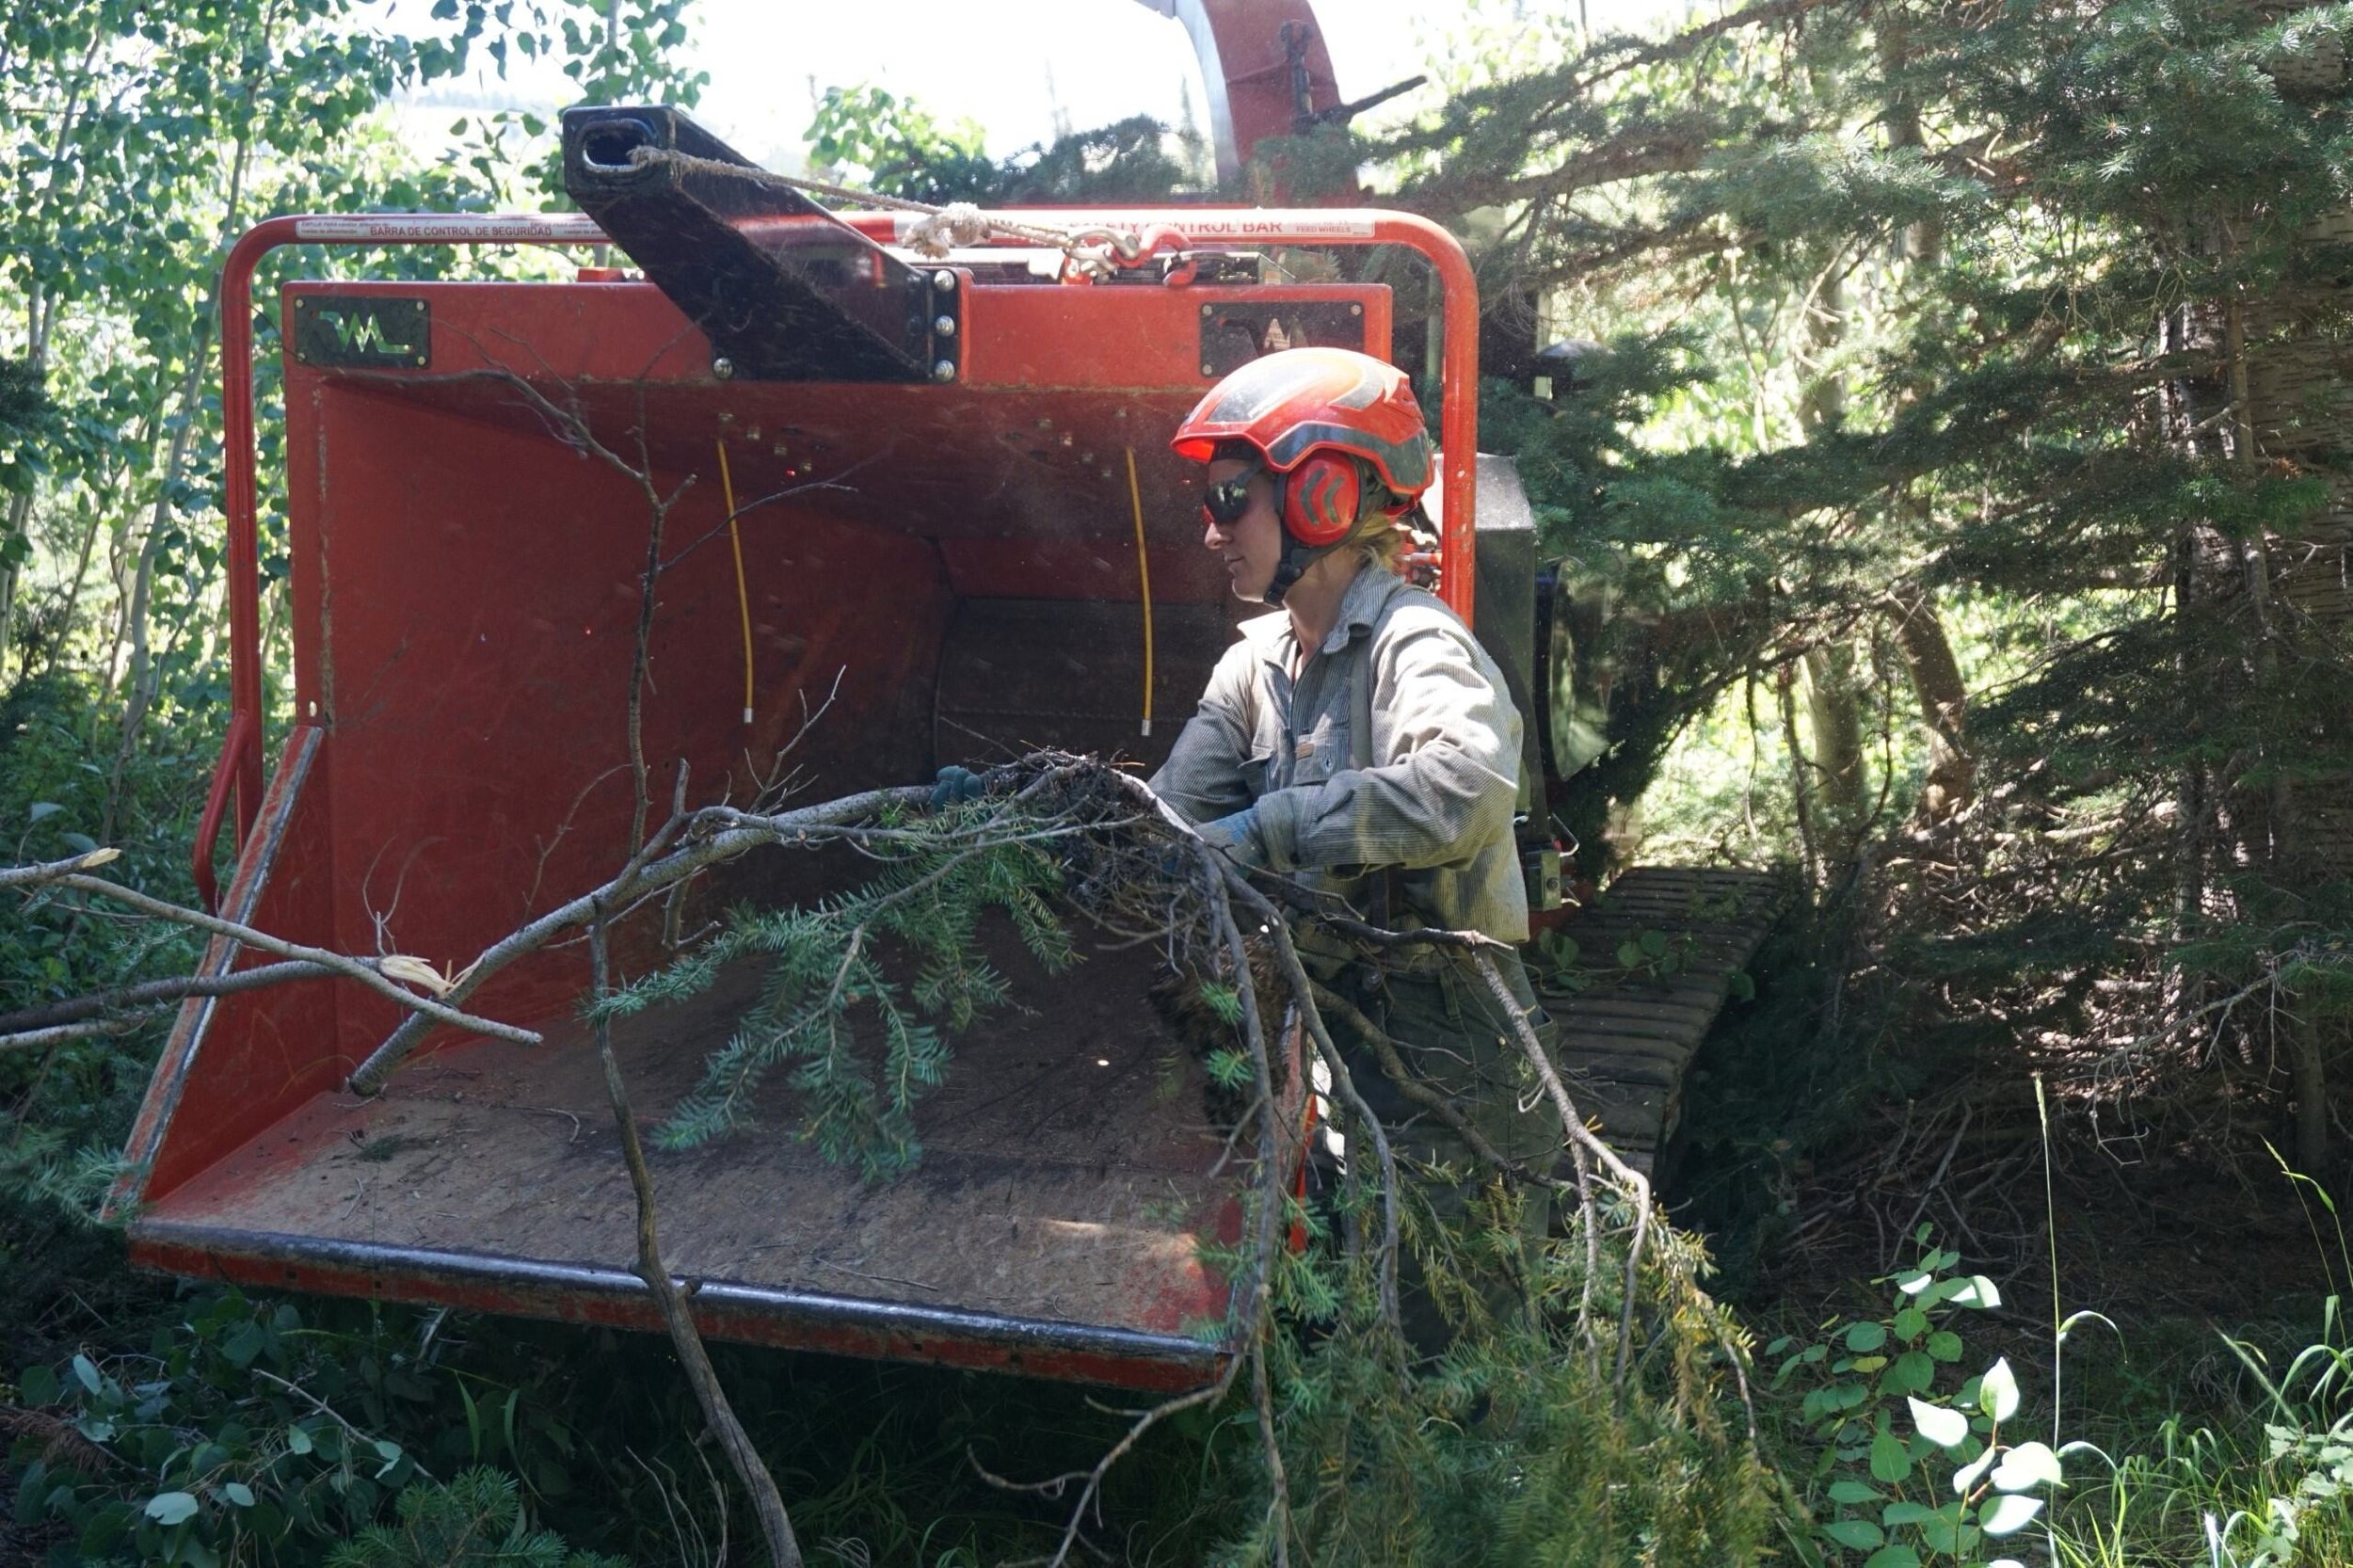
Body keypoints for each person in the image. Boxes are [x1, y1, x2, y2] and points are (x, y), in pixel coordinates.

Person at [1149, 346, 1561, 1348]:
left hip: (1450, 1049)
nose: (1212, 529)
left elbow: (1461, 790)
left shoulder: (1417, 644)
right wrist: (1037, 808)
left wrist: (1271, 827)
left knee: (1451, 1346)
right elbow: (1168, 814)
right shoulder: (1255, 667)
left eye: (1232, 497)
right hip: (1342, 1050)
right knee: (1349, 1325)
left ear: (1323, 494)